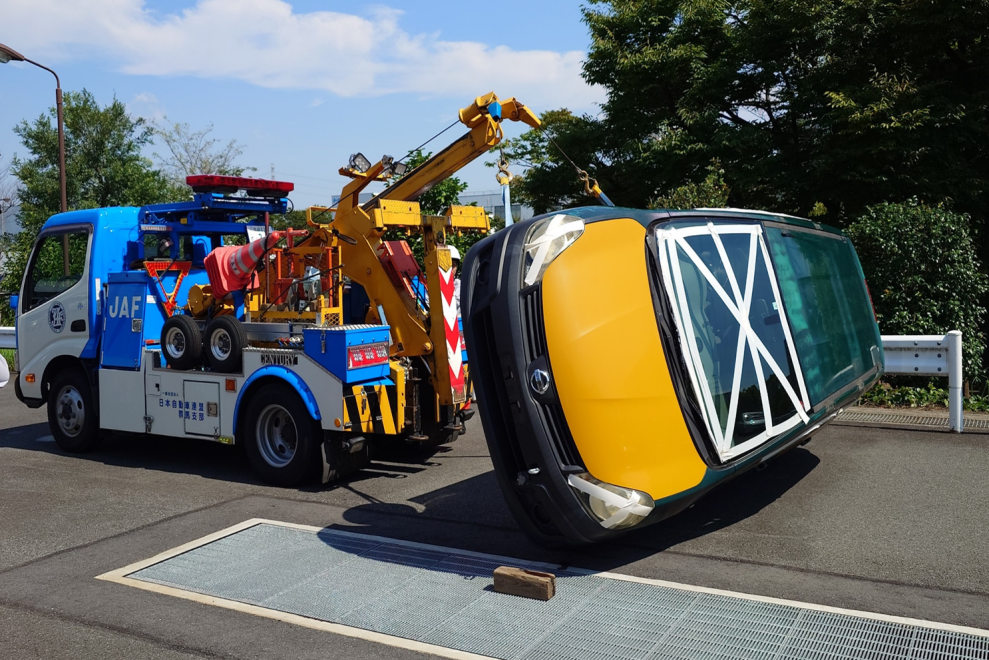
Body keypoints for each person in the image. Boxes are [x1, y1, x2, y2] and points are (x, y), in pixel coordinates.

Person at [449, 245, 461, 313]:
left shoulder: (459, 285)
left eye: (453, 264)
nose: (450, 268)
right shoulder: (430, 285)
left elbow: (454, 305)